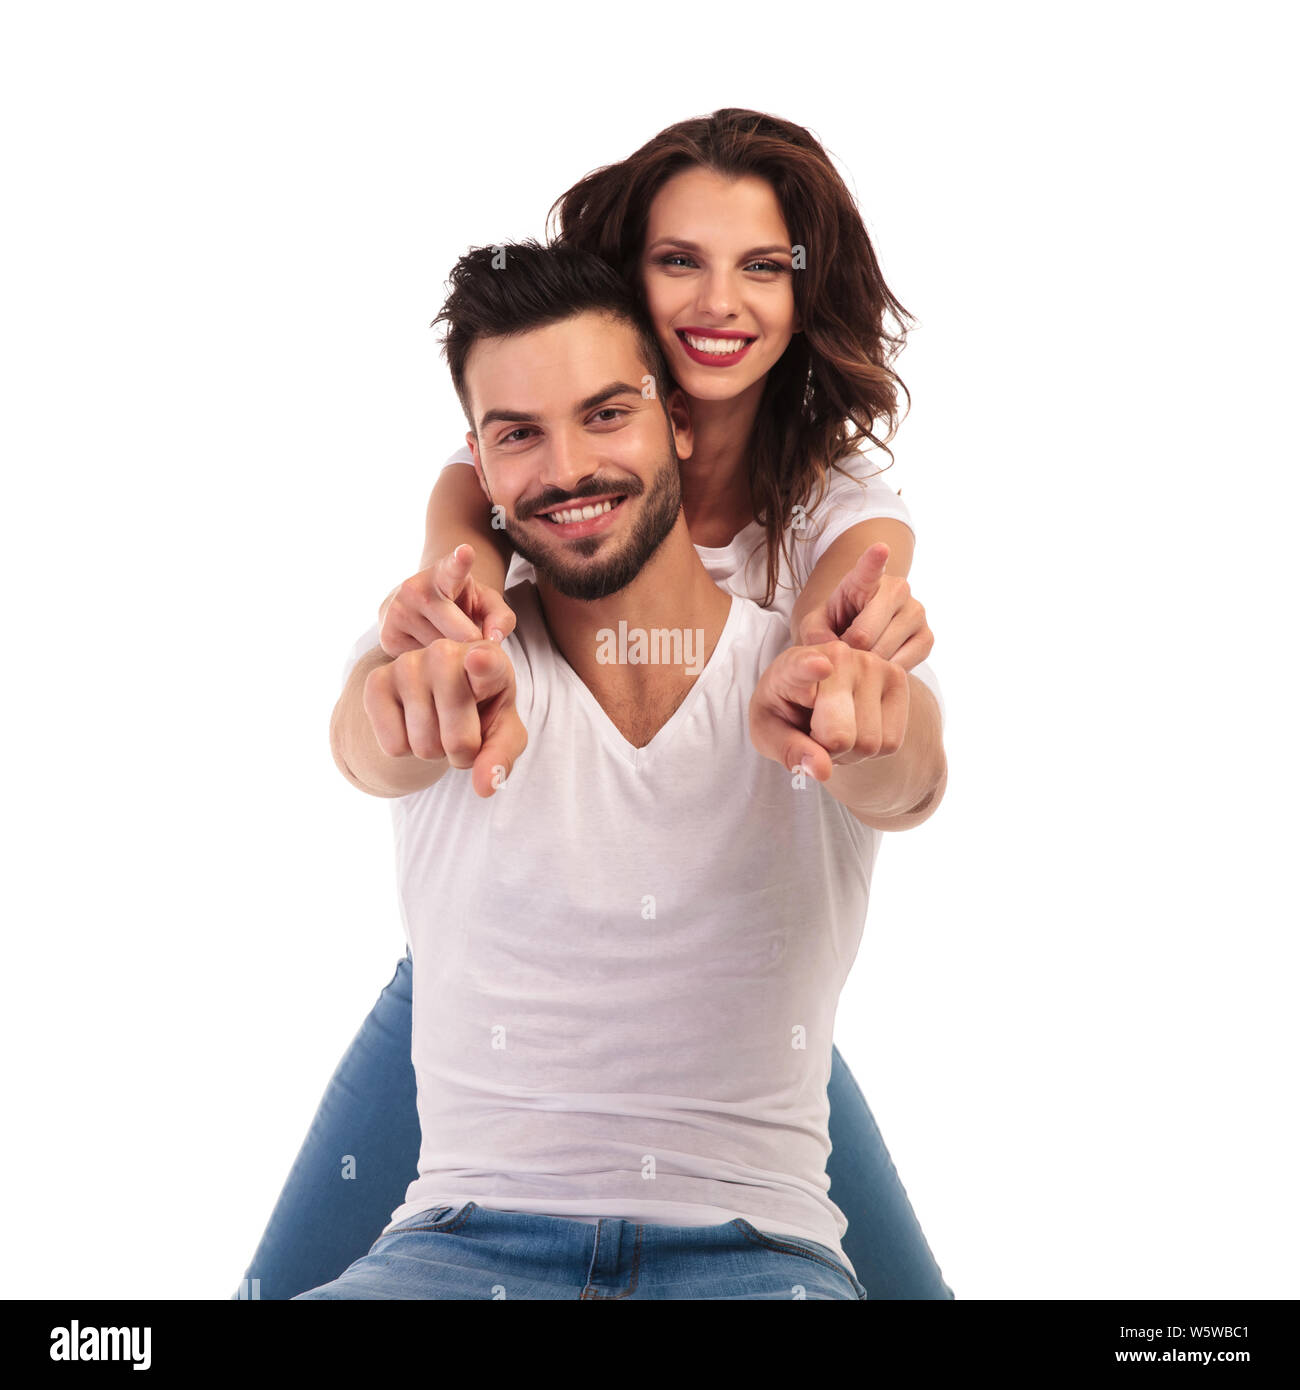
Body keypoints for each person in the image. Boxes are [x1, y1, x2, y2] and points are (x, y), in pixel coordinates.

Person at [239, 108, 953, 1300]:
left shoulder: (834, 502)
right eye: (679, 260)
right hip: (501, 988)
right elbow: (402, 675)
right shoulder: (522, 466)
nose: (718, 301)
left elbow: (883, 714)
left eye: (760, 265)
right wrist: (446, 632)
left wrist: (843, 686)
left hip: (730, 980)